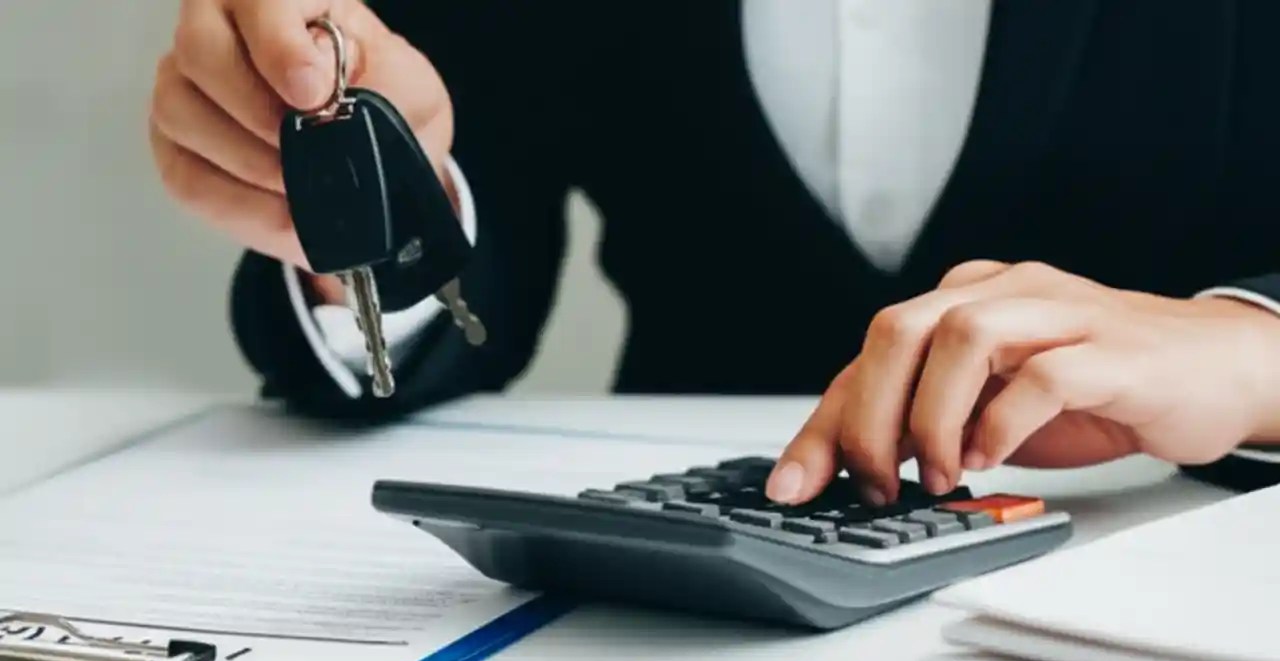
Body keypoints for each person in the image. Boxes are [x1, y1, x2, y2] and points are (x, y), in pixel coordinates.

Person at [149, 0, 1280, 508]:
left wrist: (1250, 354)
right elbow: (461, 197)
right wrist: (356, 194)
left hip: (1166, 585)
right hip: (649, 627)